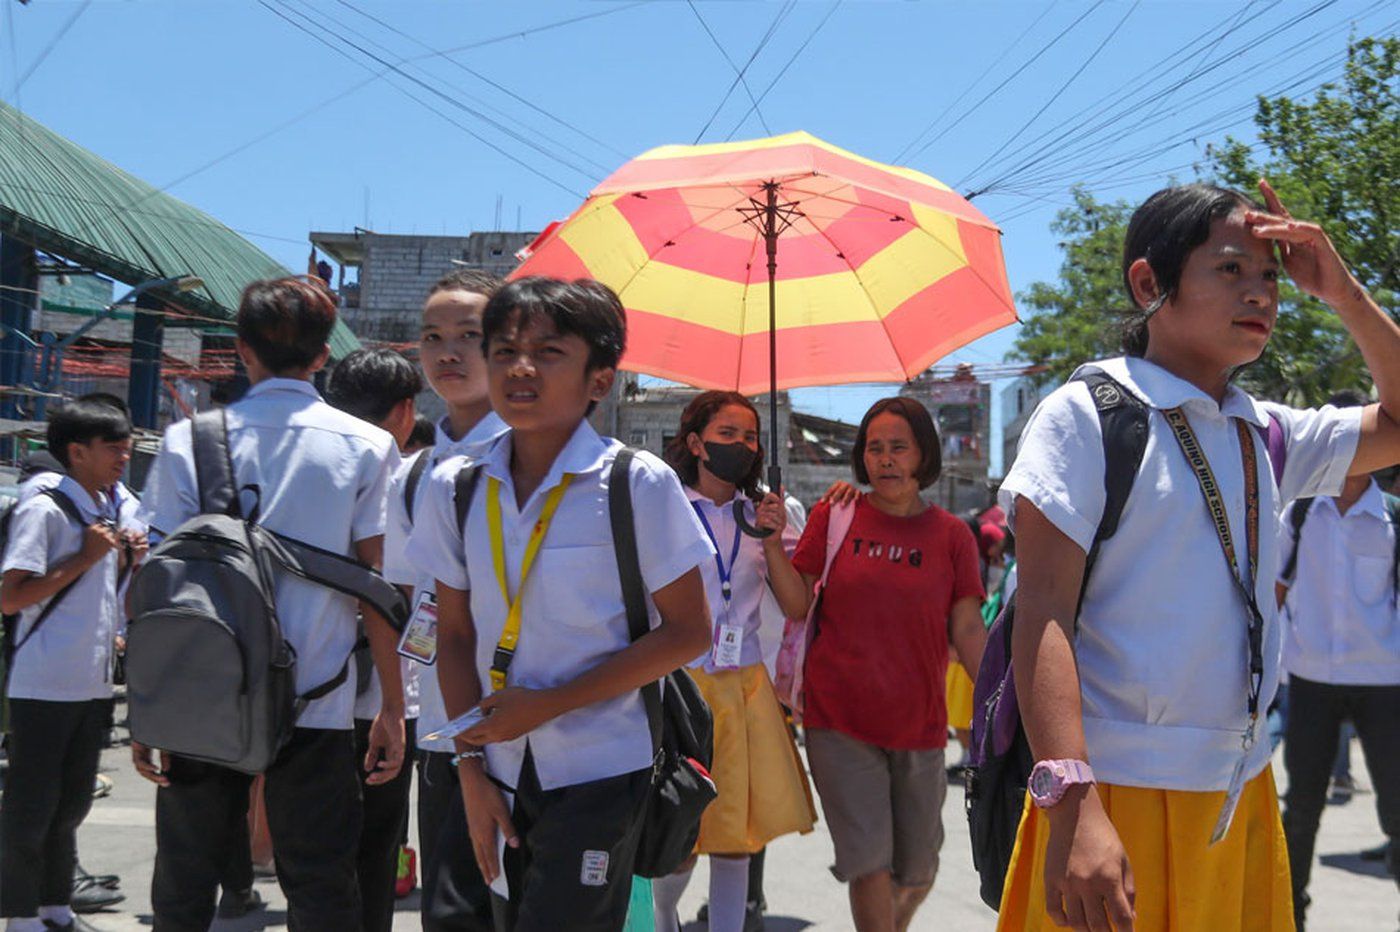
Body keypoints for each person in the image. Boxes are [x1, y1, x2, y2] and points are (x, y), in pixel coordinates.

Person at [995, 181, 1400, 932]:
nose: (1261, 294)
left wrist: (1342, 292)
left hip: (1239, 791)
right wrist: (1074, 809)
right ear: (1150, 283)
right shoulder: (1087, 415)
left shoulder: (1267, 433)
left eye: (1271, 276)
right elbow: (1042, 613)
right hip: (1111, 797)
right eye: (1229, 269)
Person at [405, 275, 713, 932]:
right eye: (504, 350)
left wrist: (548, 705)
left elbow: (688, 633)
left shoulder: (636, 483)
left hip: (598, 767)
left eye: (549, 353)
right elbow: (453, 636)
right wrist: (467, 768)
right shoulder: (454, 487)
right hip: (484, 764)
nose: (520, 368)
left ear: (599, 380)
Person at [133, 276, 404, 932]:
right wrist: (392, 708)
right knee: (319, 880)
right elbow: (380, 587)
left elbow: (156, 576)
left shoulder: (188, 441)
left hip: (204, 693)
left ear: (241, 348)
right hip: (319, 698)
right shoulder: (367, 447)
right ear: (322, 356)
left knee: (185, 876)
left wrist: (147, 704)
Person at [769, 395, 988, 932]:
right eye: (874, 449)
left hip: (919, 726)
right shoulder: (835, 514)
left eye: (898, 448)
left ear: (922, 456)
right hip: (838, 720)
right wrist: (772, 543)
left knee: (917, 871)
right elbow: (797, 602)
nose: (885, 459)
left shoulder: (952, 536)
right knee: (868, 865)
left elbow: (966, 627)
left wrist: (999, 703)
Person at [649, 391, 816, 932]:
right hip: (679, 685)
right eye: (727, 434)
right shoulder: (663, 507)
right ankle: (664, 916)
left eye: (749, 437)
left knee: (737, 838)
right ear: (695, 443)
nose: (741, 446)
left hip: (743, 688)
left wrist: (771, 543)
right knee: (679, 831)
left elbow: (796, 606)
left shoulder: (761, 515)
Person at [383, 268, 508, 932]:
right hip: (443, 730)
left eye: (469, 335)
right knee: (455, 910)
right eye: (433, 337)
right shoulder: (412, 475)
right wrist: (391, 705)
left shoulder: (539, 466)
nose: (448, 353)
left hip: (540, 724)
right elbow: (407, 598)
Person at [0, 397, 145, 932]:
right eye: (114, 448)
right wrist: (85, 558)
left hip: (89, 683)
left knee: (71, 805)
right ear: (76, 452)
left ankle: (55, 907)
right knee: (30, 808)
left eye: (126, 447)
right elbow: (11, 598)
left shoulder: (101, 510)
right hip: (42, 681)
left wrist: (126, 556)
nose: (124, 457)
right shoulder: (45, 508)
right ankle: (18, 914)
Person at [1276, 387, 1400, 930]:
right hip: (1310, 681)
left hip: (1385, 684)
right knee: (1300, 808)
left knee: (1397, 812)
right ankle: (1290, 914)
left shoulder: (1393, 518)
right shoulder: (1299, 513)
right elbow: (1273, 589)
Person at [325, 347, 426, 932]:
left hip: (306, 693)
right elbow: (392, 595)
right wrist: (395, 704)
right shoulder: (402, 474)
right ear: (406, 412)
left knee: (319, 857)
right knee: (374, 850)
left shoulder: (311, 466)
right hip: (382, 699)